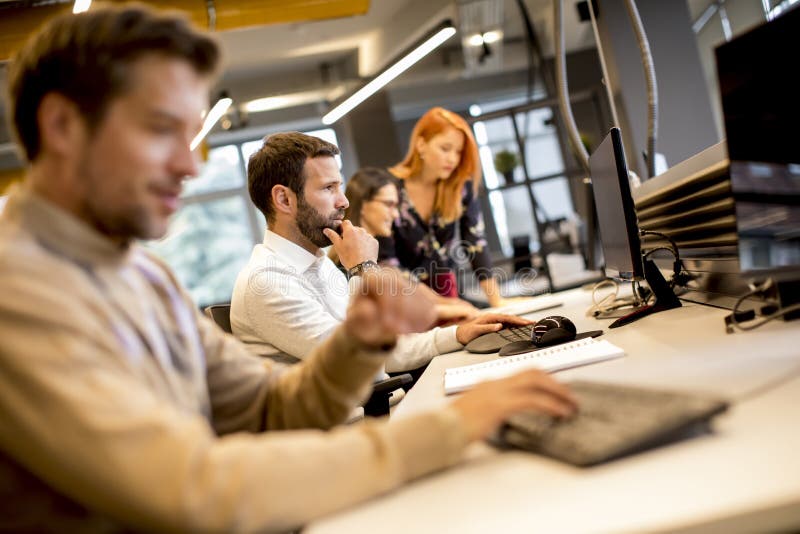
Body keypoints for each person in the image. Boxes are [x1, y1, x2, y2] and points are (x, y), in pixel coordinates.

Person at [0, 5, 577, 532]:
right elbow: (192, 488)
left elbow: (272, 408)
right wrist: (448, 429)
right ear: (63, 127)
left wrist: (363, 336)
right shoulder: (18, 291)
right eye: (160, 130)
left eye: (189, 136)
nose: (187, 167)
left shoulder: (142, 277)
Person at [230, 133, 529, 373]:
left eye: (340, 187)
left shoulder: (316, 266)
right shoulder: (266, 282)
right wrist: (363, 268)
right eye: (328, 188)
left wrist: (457, 334)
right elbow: (362, 361)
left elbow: (387, 351)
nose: (344, 201)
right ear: (284, 199)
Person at [382, 106, 509, 307]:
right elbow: (386, 262)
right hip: (405, 305)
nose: (453, 159)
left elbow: (475, 242)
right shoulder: (388, 190)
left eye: (458, 152)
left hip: (451, 299)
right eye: (445, 148)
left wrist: (496, 301)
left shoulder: (460, 186)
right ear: (421, 145)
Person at [339, 166, 480, 323]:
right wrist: (449, 309)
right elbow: (392, 312)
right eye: (389, 204)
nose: (396, 214)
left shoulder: (377, 249)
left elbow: (409, 290)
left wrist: (452, 305)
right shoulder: (350, 258)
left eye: (396, 206)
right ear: (364, 204)